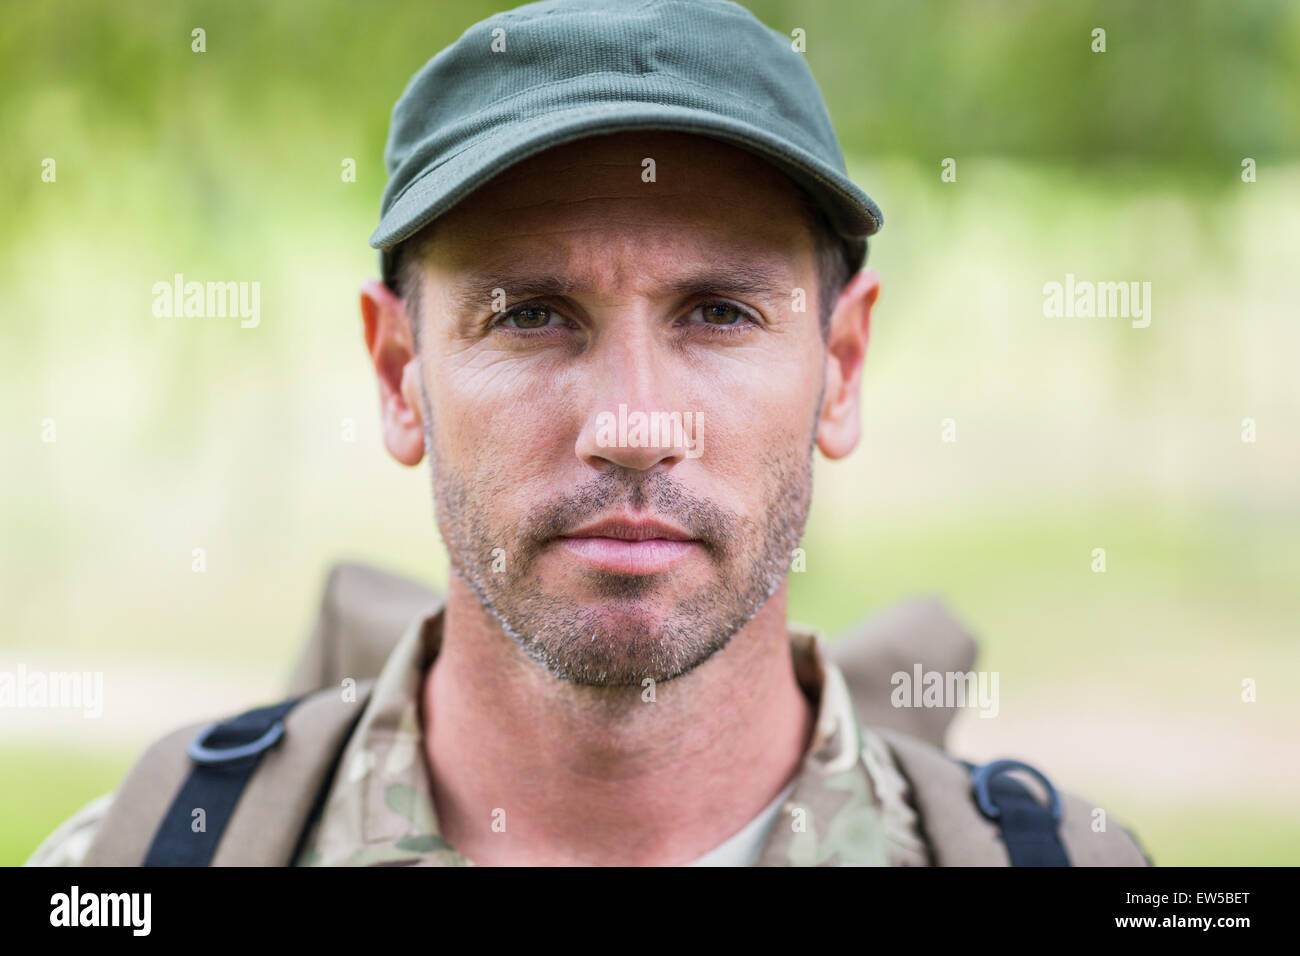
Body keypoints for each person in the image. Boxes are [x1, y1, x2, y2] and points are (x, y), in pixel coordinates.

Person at [26, 0, 1149, 867]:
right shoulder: (140, 862)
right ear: (400, 374)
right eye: (530, 315)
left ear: (841, 368)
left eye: (720, 313)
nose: (632, 426)